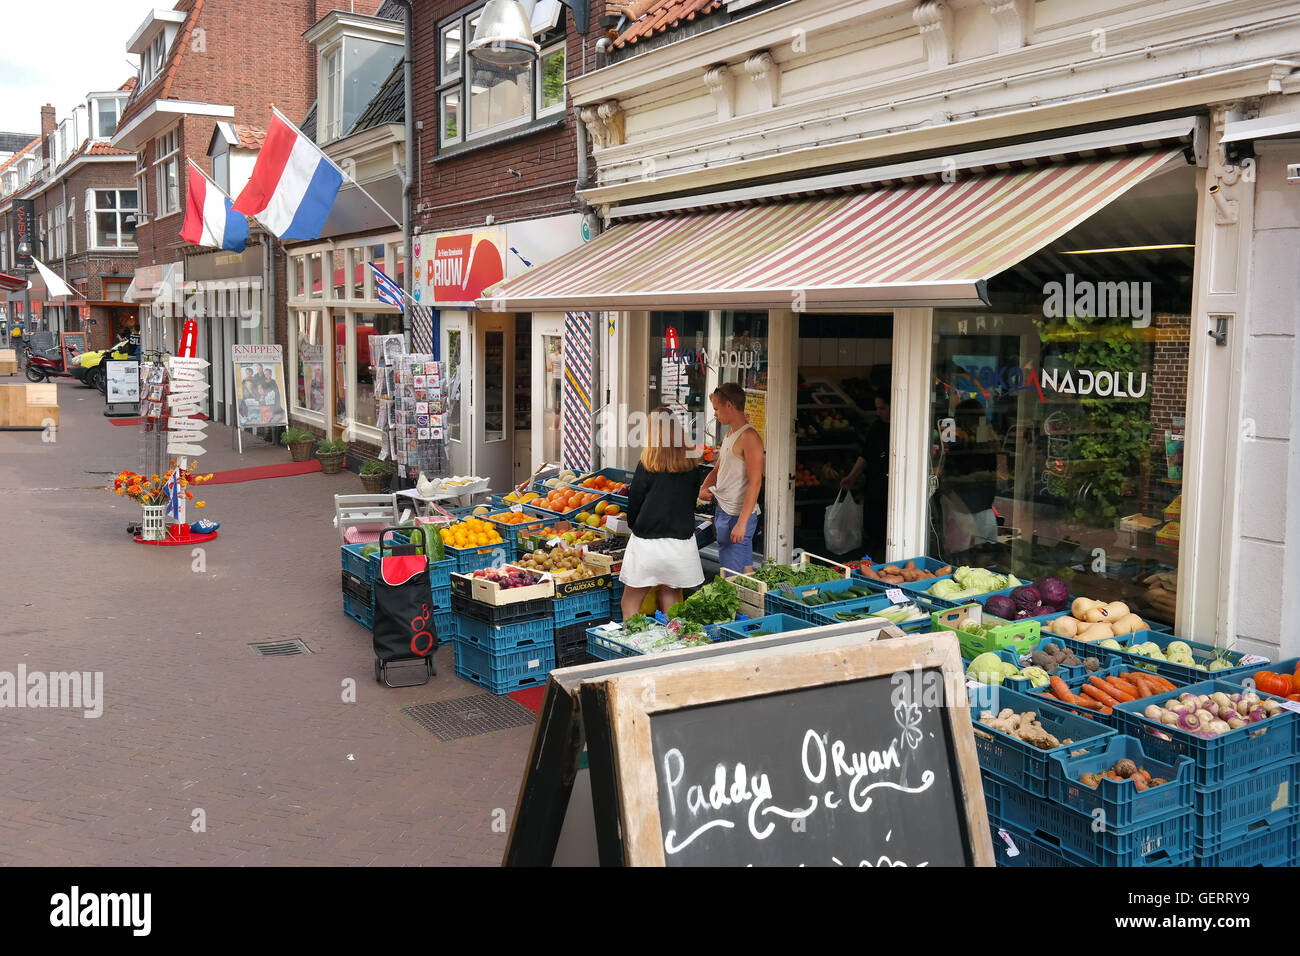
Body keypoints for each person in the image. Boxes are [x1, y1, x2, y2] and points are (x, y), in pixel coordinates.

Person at [619, 406, 705, 619]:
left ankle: (635, 649)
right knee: (671, 599)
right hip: (681, 545)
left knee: (630, 602)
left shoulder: (647, 464)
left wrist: (634, 525)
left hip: (647, 544)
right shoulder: (692, 464)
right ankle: (673, 648)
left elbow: (635, 503)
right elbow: (692, 502)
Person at [699, 381, 764, 573]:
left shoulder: (749, 437)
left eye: (717, 409)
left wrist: (742, 523)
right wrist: (703, 488)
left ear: (729, 405)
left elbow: (756, 482)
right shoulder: (729, 435)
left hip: (738, 516)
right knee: (744, 574)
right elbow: (717, 470)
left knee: (733, 579)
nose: (715, 414)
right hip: (725, 513)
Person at [939, 399, 1000, 555]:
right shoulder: (987, 439)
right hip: (982, 507)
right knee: (985, 557)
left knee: (962, 558)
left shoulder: (964, 442)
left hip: (963, 508)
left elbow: (950, 477)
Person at [840, 390, 891, 560]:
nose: (879, 412)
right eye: (877, 408)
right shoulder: (877, 427)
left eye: (883, 408)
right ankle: (872, 561)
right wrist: (852, 476)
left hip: (893, 487)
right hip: (876, 486)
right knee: (873, 526)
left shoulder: (904, 428)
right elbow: (866, 455)